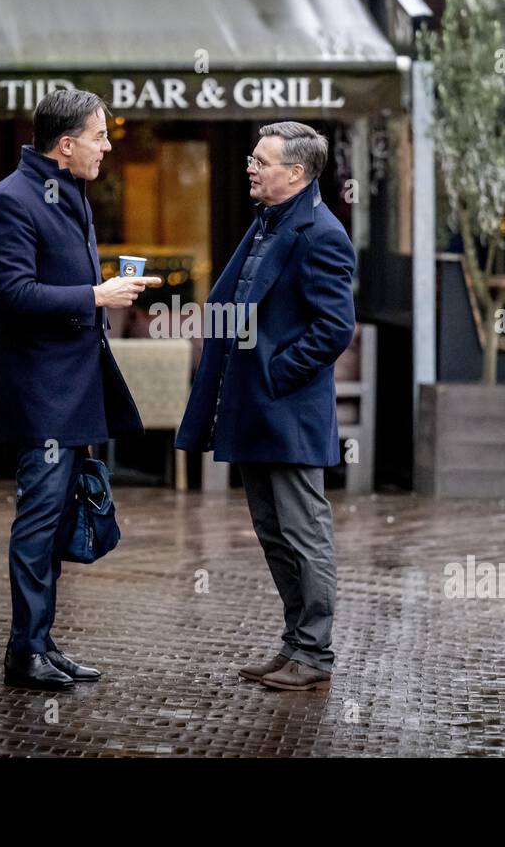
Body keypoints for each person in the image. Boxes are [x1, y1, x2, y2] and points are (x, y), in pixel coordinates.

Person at [0, 89, 158, 690]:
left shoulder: (70, 194)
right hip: (40, 394)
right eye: (100, 136)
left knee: (56, 522)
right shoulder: (9, 201)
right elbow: (15, 295)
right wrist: (96, 296)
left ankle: (40, 644)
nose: (107, 146)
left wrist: (106, 290)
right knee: (38, 522)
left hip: (73, 389)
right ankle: (22, 654)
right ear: (66, 144)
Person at [176, 121, 356, 691]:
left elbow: (334, 329)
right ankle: (293, 646)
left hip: (288, 412)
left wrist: (276, 373)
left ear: (296, 173)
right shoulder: (266, 223)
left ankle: (315, 653)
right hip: (255, 408)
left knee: (304, 533)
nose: (250, 167)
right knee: (273, 533)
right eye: (251, 157)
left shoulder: (321, 233)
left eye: (262, 160)